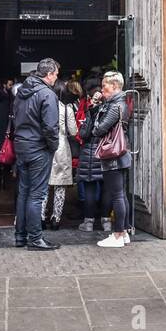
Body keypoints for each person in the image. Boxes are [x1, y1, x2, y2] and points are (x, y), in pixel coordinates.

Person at [10, 58, 62, 251]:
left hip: (22, 146)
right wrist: (53, 146)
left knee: (24, 192)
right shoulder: (47, 94)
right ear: (48, 74)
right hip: (39, 148)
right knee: (36, 195)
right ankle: (35, 238)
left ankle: (20, 236)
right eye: (56, 74)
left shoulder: (21, 92)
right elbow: (50, 127)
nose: (57, 78)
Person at [88, 71, 133, 249]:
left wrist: (95, 108)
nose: (102, 89)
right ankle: (125, 231)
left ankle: (118, 234)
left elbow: (98, 130)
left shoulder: (115, 106)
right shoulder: (120, 103)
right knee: (121, 194)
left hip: (113, 156)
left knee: (117, 196)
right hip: (121, 155)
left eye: (105, 86)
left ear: (114, 86)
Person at [42, 80, 78, 230]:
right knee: (60, 186)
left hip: (45, 146)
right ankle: (56, 219)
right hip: (61, 147)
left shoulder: (43, 106)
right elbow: (74, 131)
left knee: (43, 185)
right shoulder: (66, 108)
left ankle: (41, 218)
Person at [75, 75, 105, 233]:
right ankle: (106, 222)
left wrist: (91, 110)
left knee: (90, 189)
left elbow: (84, 133)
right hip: (107, 152)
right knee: (107, 188)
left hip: (90, 153)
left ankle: (88, 223)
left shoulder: (91, 110)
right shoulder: (111, 107)